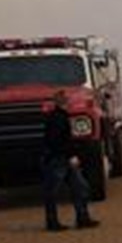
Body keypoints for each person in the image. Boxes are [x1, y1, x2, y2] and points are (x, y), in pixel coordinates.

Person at [41, 90, 100, 231]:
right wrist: (71, 156)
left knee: (80, 187)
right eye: (66, 101)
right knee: (54, 192)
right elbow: (58, 142)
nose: (69, 103)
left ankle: (82, 218)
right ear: (62, 102)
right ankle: (53, 222)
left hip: (61, 158)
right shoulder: (58, 119)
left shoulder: (58, 117)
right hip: (58, 160)